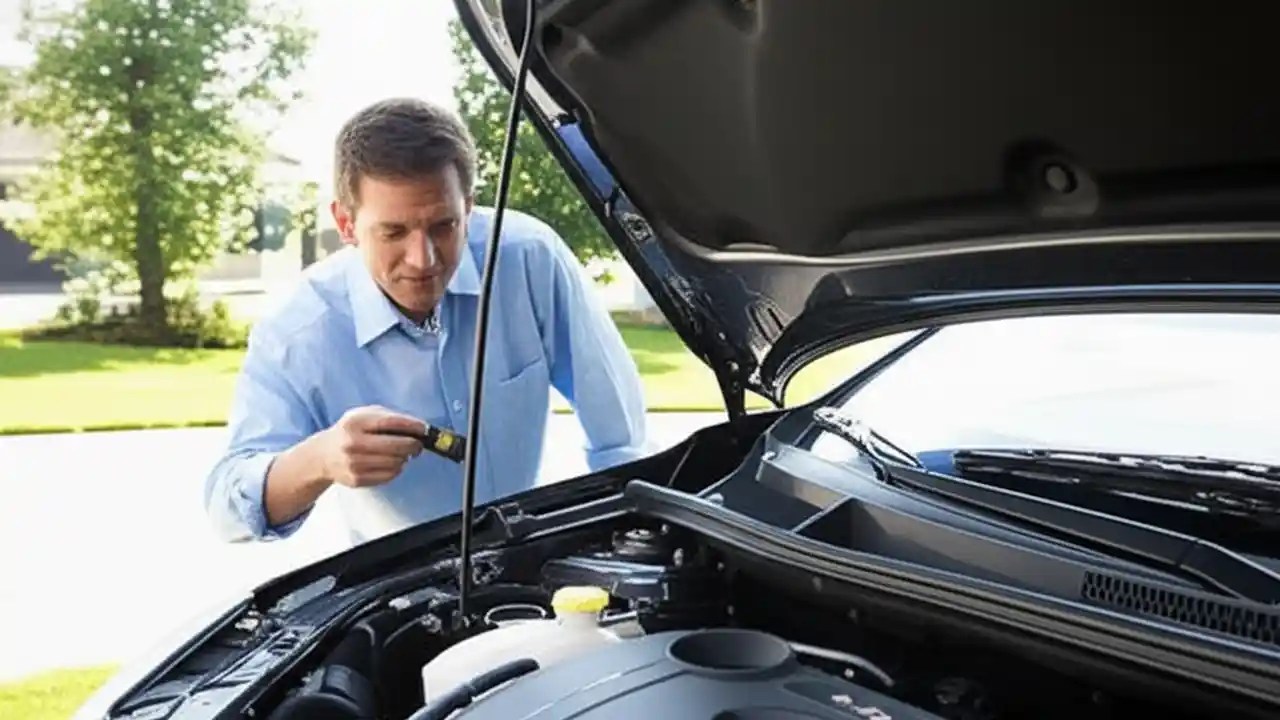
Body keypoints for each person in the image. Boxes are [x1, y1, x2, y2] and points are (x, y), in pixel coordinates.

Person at [203, 97, 649, 546]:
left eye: (443, 226)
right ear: (345, 222)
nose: (423, 260)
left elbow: (620, 440)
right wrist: (320, 459)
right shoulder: (297, 333)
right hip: (401, 587)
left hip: (530, 554)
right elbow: (227, 513)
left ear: (468, 207)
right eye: (393, 232)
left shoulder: (530, 260)